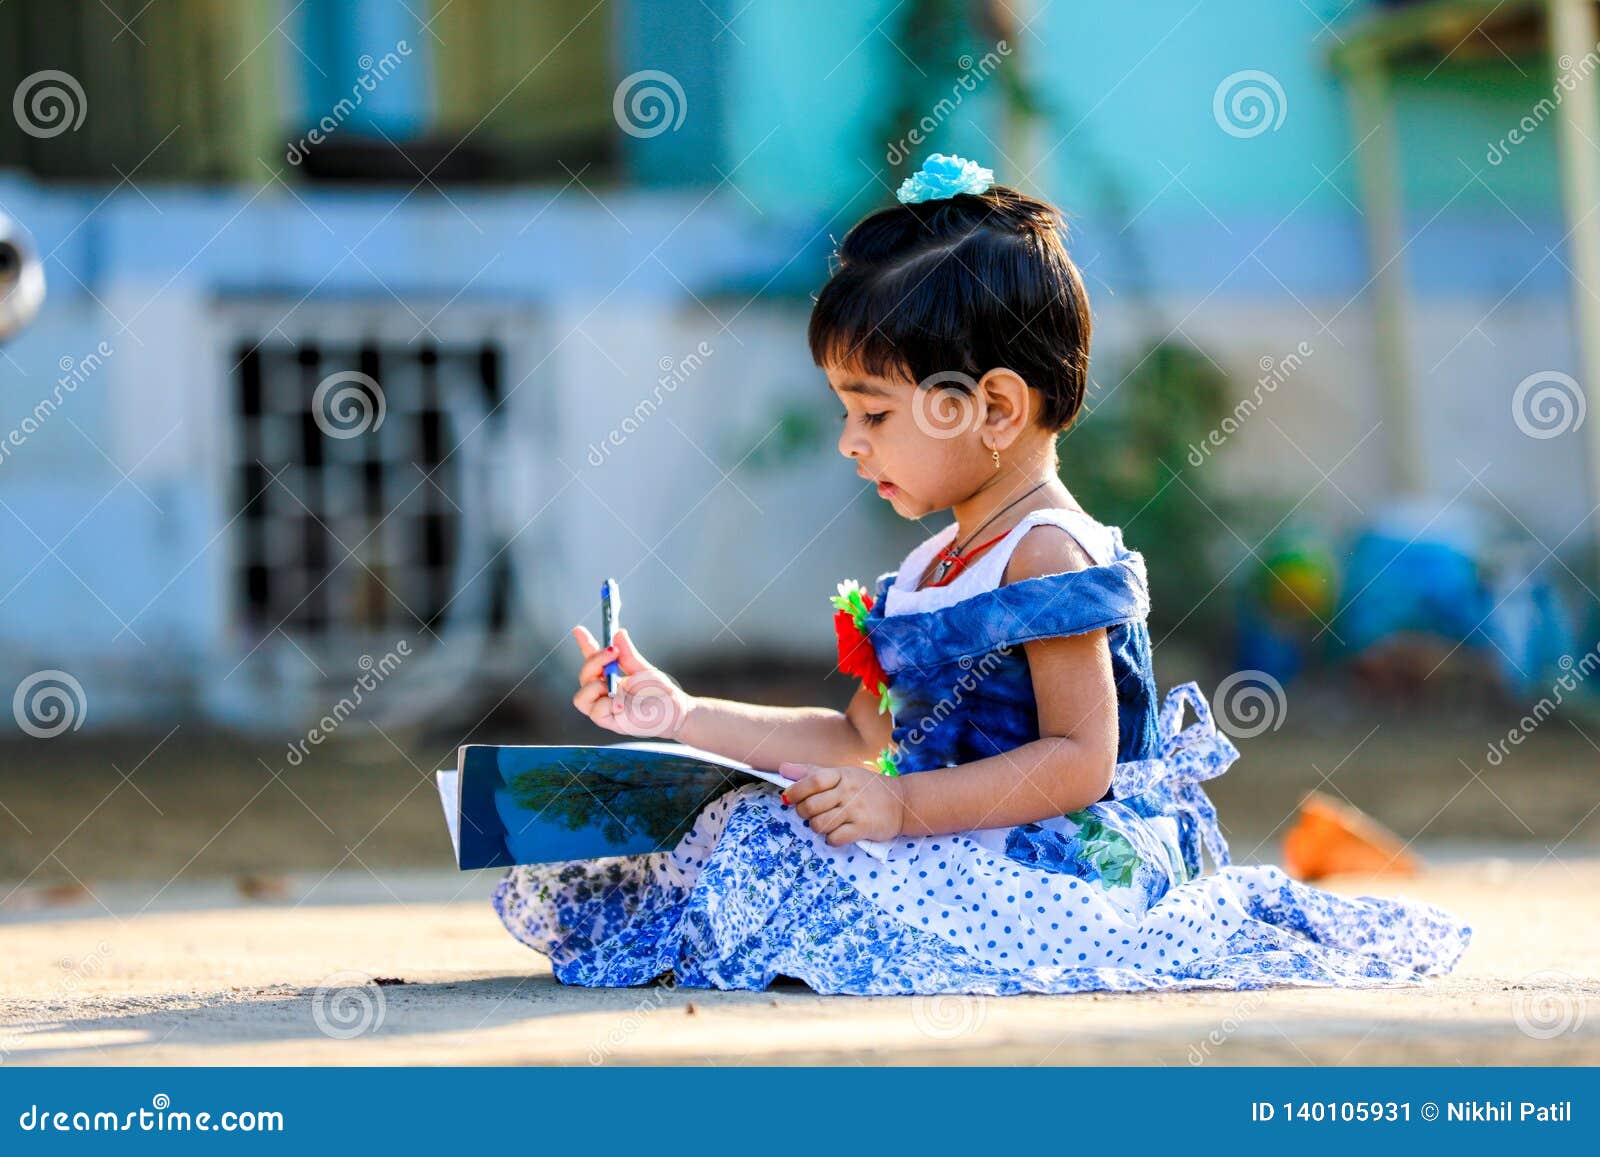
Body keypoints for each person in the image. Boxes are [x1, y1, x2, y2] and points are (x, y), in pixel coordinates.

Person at [492, 154, 1472, 994]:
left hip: (1057, 860)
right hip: (951, 837)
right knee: (746, 820)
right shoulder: (927, 567)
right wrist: (679, 715)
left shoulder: (1050, 551)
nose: (848, 441)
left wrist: (901, 808)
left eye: (872, 413)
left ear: (993, 408)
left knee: (795, 854)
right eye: (844, 411)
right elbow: (859, 737)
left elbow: (1076, 761)